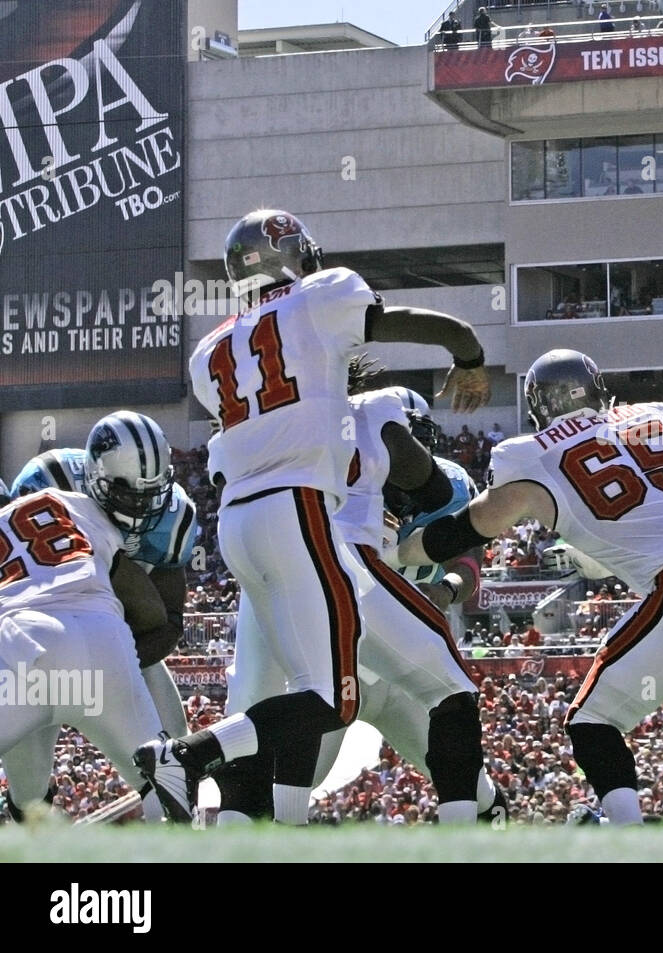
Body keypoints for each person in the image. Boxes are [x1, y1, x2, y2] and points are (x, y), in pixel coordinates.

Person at [134, 208, 490, 824]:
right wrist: (470, 352)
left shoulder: (209, 350)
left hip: (239, 523)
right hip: (298, 512)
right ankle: (183, 758)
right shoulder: (322, 302)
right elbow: (414, 324)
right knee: (332, 698)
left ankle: (238, 809)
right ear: (300, 255)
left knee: (294, 697)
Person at [398, 348, 663, 825]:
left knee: (591, 721)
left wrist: (401, 552)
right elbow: (640, 501)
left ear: (537, 405)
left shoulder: (525, 454)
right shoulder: (654, 418)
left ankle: (629, 840)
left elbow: (472, 528)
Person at [211, 373, 503, 825]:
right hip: (336, 663)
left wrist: (445, 590)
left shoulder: (448, 485)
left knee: (469, 778)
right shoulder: (329, 486)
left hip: (396, 669)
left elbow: (469, 561)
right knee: (278, 780)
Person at [10, 413, 199, 746]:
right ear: (93, 474)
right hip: (42, 629)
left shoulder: (175, 517)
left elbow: (167, 623)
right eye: (127, 492)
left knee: (175, 742)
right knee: (29, 779)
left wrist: (104, 670)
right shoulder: (50, 480)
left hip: (122, 633)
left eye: (153, 493)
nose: (143, 506)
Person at [0, 483, 181, 823]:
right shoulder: (66, 501)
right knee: (164, 782)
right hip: (102, 639)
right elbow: (151, 612)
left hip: (23, 652)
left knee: (27, 799)